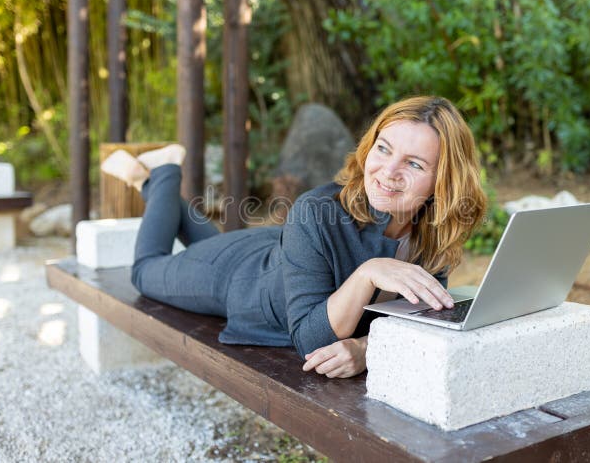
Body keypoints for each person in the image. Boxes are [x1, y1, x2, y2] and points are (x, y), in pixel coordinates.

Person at [100, 96, 487, 378]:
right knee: (146, 270)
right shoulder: (315, 209)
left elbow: (424, 319)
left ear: (444, 181)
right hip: (239, 278)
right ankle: (163, 173)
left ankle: (154, 182)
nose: (388, 172)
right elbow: (310, 339)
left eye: (414, 164)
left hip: (284, 250)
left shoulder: (434, 230)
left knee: (201, 248)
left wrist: (367, 349)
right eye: (383, 149)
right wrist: (369, 271)